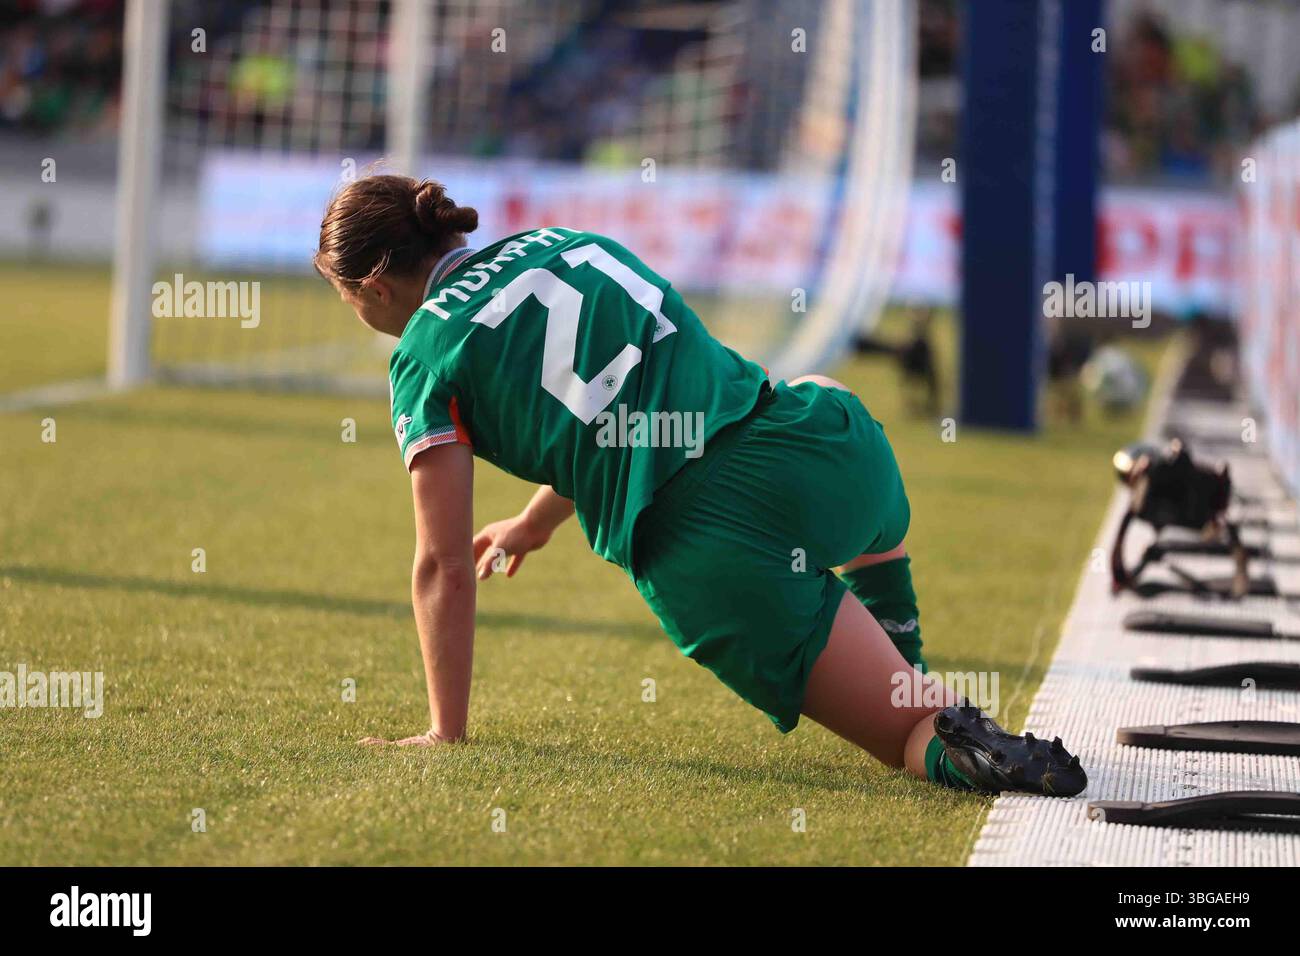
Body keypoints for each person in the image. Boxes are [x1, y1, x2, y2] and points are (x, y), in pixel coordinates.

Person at [312, 174, 1087, 797]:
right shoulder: (566, 240)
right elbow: (640, 404)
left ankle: (947, 734)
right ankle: (906, 663)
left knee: (914, 739)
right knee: (816, 387)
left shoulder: (421, 352)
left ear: (373, 286)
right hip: (821, 454)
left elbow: (442, 563)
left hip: (706, 546)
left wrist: (446, 728)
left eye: (342, 295)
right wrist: (538, 520)